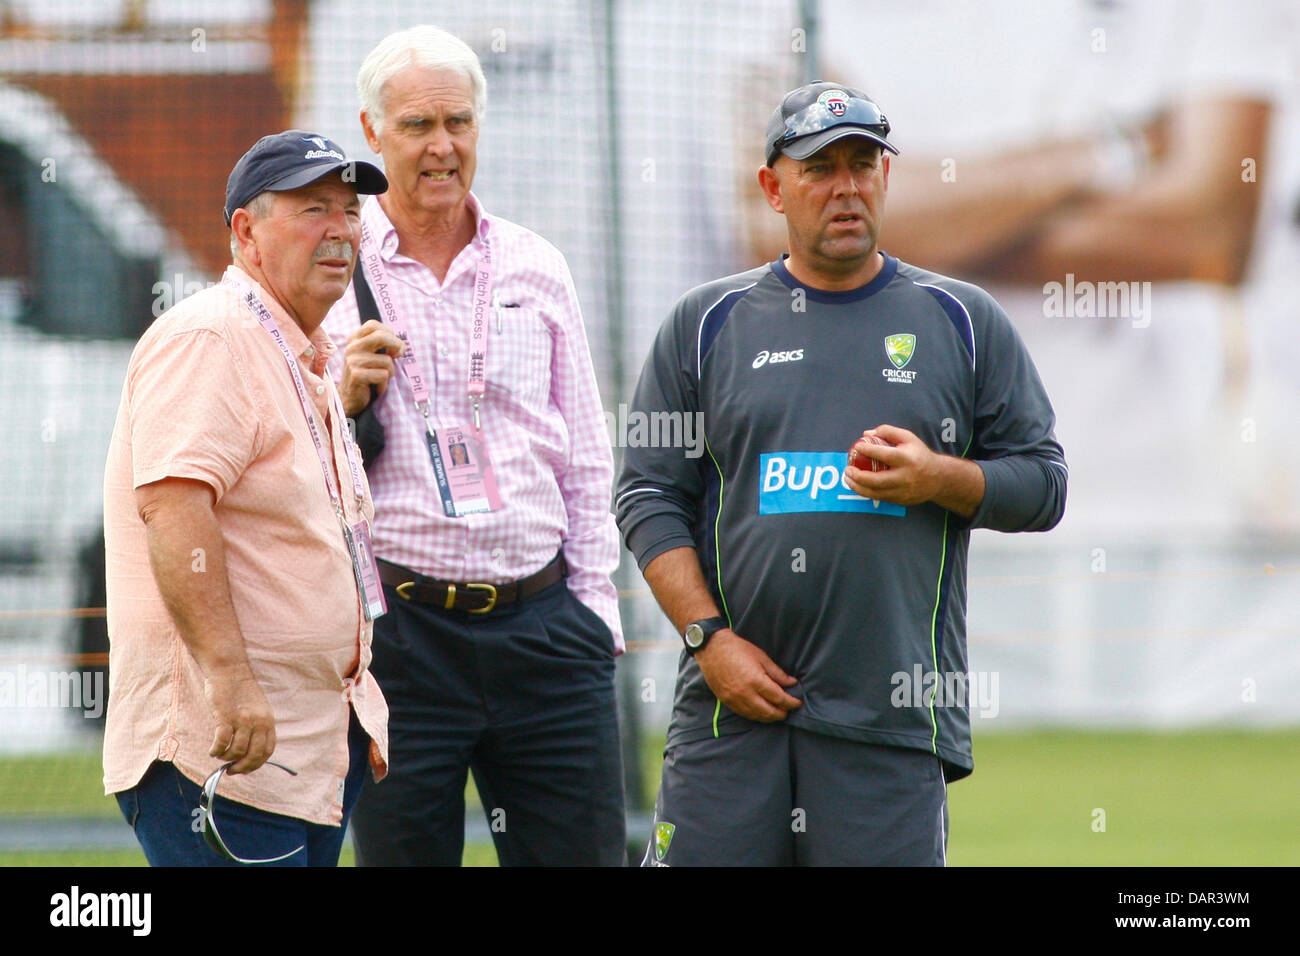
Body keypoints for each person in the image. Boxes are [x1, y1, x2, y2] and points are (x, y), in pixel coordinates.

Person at [616, 82, 1068, 866]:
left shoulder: (960, 320)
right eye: (820, 168)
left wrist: (938, 478)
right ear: (772, 187)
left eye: (863, 163)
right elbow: (648, 497)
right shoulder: (705, 323)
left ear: (887, 178)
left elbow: (1043, 485)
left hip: (886, 721)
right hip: (730, 714)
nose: (846, 187)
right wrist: (708, 640)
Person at [322, 25, 626, 866]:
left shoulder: (536, 264)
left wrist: (594, 609)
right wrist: (340, 401)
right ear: (372, 132)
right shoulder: (327, 274)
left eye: (458, 121)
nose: (442, 145)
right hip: (404, 637)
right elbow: (290, 461)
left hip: (547, 632)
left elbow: (587, 452)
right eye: (417, 125)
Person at [102, 130, 391, 866]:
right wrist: (230, 682)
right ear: (246, 231)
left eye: (350, 211)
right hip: (224, 757)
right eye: (313, 207)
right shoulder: (212, 337)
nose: (341, 230)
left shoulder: (306, 354)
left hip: (298, 759)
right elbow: (174, 509)